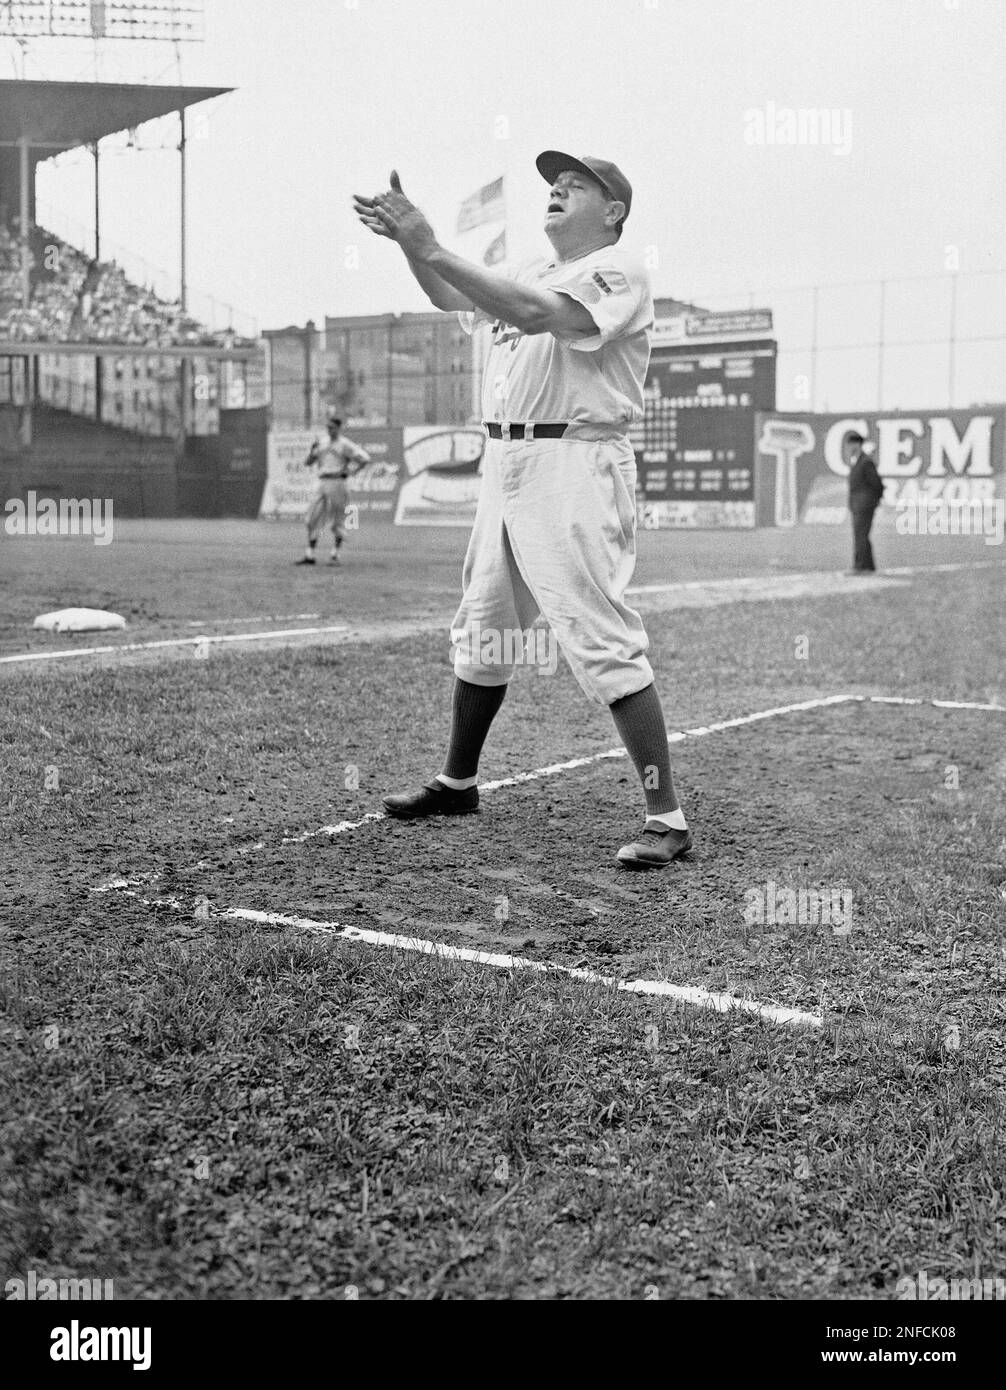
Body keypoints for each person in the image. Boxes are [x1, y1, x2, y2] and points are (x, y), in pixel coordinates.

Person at [352, 154, 691, 869]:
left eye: (577, 185)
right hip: (505, 461)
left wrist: (432, 243)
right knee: (483, 626)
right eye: (553, 184)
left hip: (574, 460)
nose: (557, 190)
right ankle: (459, 782)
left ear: (615, 209)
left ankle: (667, 817)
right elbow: (450, 296)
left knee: (598, 635)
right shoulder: (535, 268)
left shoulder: (620, 268)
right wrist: (420, 248)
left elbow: (538, 315)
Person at [295, 411, 371, 566]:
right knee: (311, 518)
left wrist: (352, 472)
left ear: (339, 428)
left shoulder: (345, 444)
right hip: (322, 482)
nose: (329, 430)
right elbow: (308, 462)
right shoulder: (322, 443)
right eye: (328, 427)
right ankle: (310, 555)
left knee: (338, 520)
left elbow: (364, 459)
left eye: (332, 427)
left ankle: (335, 554)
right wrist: (311, 451)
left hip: (338, 482)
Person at [846, 431, 884, 573]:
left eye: (851, 444)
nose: (849, 447)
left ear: (857, 444)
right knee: (862, 534)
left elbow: (876, 483)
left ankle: (860, 565)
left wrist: (874, 499)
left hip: (864, 504)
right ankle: (868, 565)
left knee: (860, 535)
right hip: (858, 504)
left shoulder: (865, 461)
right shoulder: (856, 461)